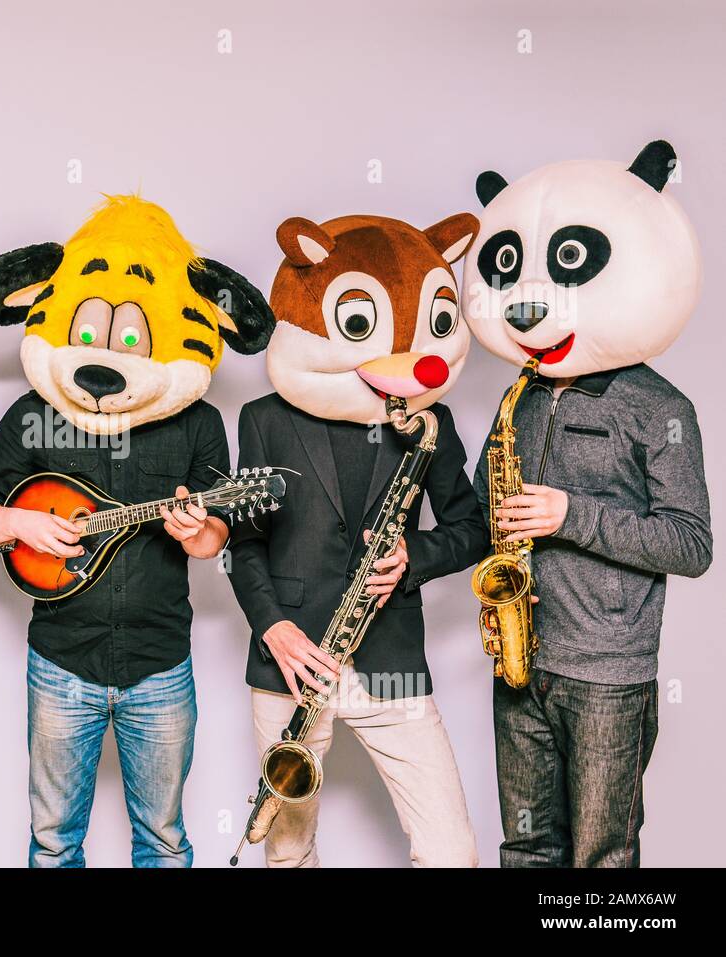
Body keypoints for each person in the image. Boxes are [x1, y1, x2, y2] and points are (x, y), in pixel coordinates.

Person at [0, 195, 275, 866]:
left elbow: (216, 534)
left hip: (160, 665)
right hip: (60, 660)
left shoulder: (195, 423)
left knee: (163, 840)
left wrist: (199, 533)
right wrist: (19, 519)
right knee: (53, 842)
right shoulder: (33, 411)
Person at [462, 140, 712, 867]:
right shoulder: (521, 396)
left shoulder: (660, 406)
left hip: (608, 675)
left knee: (602, 856)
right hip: (521, 661)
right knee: (527, 847)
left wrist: (571, 515)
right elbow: (487, 502)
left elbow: (692, 544)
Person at [229, 211, 486, 867]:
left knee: (450, 851)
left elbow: (471, 527)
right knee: (289, 851)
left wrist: (412, 558)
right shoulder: (263, 419)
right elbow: (242, 543)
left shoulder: (430, 421)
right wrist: (271, 626)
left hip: (389, 654)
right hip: (292, 662)